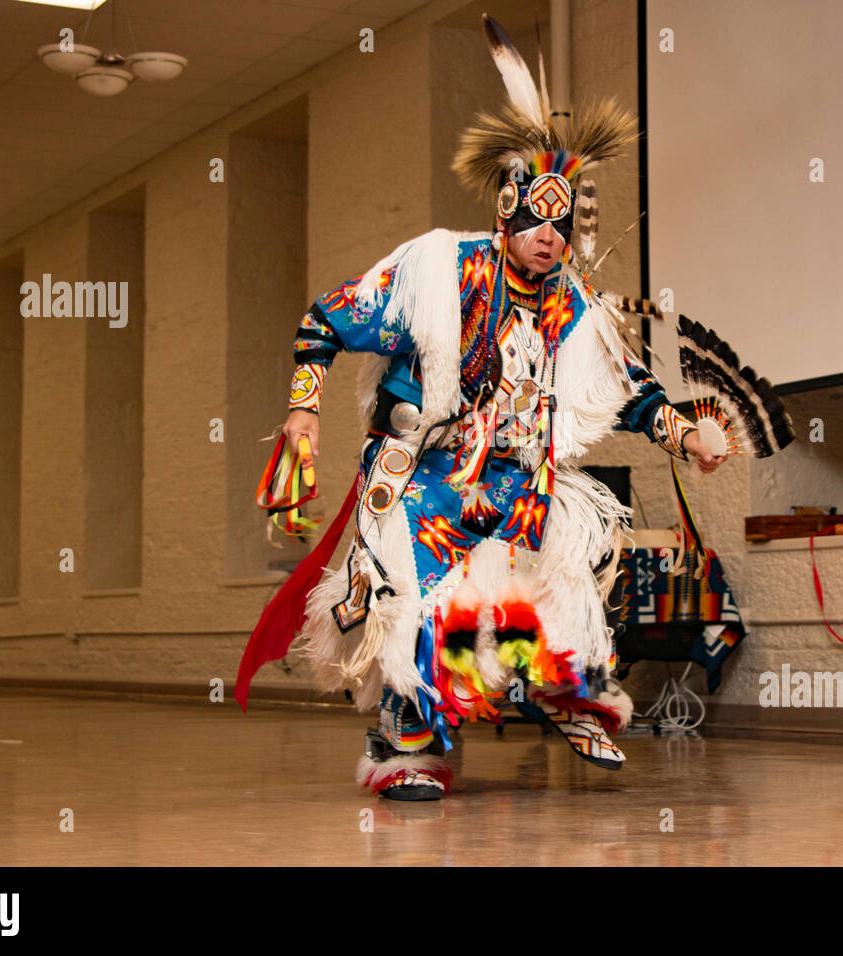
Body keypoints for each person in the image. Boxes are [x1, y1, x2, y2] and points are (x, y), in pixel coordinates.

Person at [235, 15, 725, 800]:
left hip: (514, 481)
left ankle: (559, 687)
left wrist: (685, 432)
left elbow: (632, 392)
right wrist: (304, 410)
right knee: (406, 596)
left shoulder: (573, 306)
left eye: (561, 226)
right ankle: (407, 745)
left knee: (557, 573)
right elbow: (325, 319)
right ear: (507, 211)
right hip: (419, 471)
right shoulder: (436, 272)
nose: (548, 238)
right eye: (535, 219)